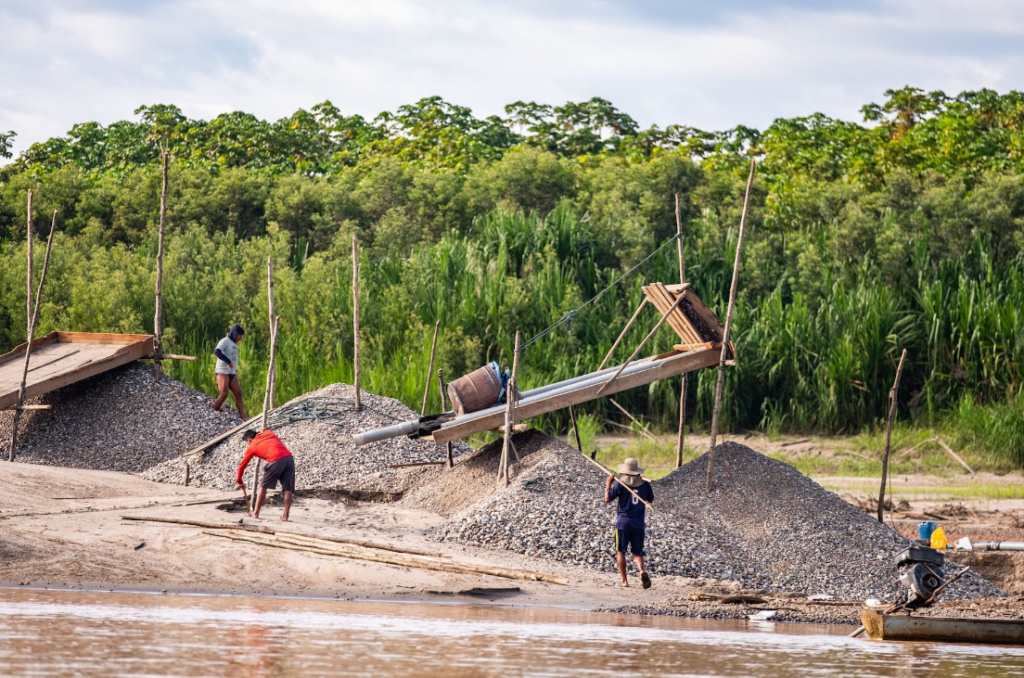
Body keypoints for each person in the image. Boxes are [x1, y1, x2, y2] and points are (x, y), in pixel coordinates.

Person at [604, 457, 654, 589]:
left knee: (621, 551)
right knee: (637, 553)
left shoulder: (620, 484)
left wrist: (608, 483)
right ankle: (641, 571)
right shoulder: (645, 485)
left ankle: (624, 580)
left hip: (623, 523)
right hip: (638, 524)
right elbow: (651, 500)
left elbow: (607, 499)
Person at [237, 429, 295, 521]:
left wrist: (239, 480)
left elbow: (242, 465)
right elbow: (266, 430)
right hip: (289, 459)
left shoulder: (252, 447)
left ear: (249, 440)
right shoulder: (269, 433)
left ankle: (255, 513)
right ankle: (285, 516)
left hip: (276, 460)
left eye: (247, 442)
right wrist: (263, 431)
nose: (247, 444)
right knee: (288, 488)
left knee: (263, 486)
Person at [213, 324, 247, 420]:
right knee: (224, 393)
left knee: (238, 394)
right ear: (235, 334)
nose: (240, 338)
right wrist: (227, 361)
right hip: (222, 371)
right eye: (240, 336)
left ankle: (243, 416)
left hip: (232, 372)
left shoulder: (233, 345)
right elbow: (217, 351)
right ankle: (214, 409)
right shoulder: (225, 341)